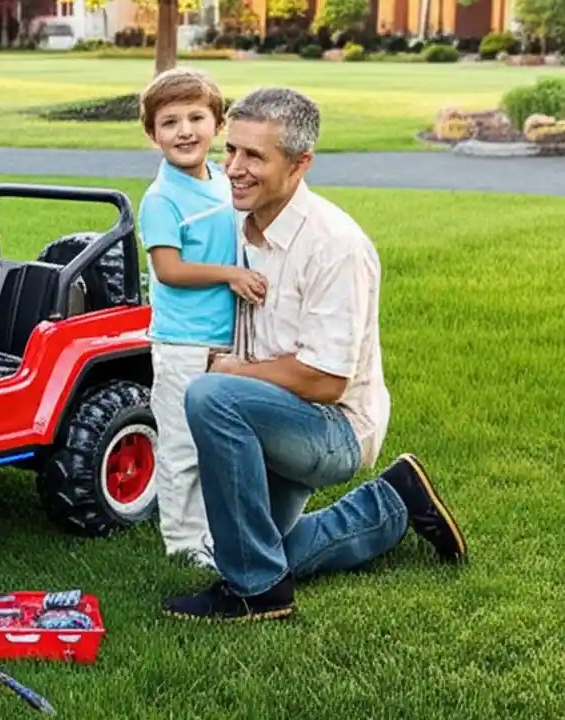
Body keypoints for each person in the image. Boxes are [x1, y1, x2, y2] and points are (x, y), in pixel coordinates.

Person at [160, 87, 468, 622]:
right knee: (258, 546)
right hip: (266, 416)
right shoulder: (236, 222)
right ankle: (395, 500)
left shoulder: (336, 247)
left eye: (254, 156)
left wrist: (233, 372)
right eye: (231, 150)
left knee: (212, 396)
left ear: (301, 163)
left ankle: (258, 594)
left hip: (333, 427)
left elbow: (325, 382)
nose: (233, 168)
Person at [135, 68, 268, 570]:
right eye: (170, 122)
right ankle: (184, 541)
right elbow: (169, 270)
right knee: (182, 444)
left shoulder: (222, 181)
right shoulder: (161, 199)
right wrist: (230, 274)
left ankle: (218, 526)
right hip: (183, 343)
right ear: (153, 135)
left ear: (219, 123)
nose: (185, 131)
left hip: (229, 338)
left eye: (196, 117)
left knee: (223, 439)